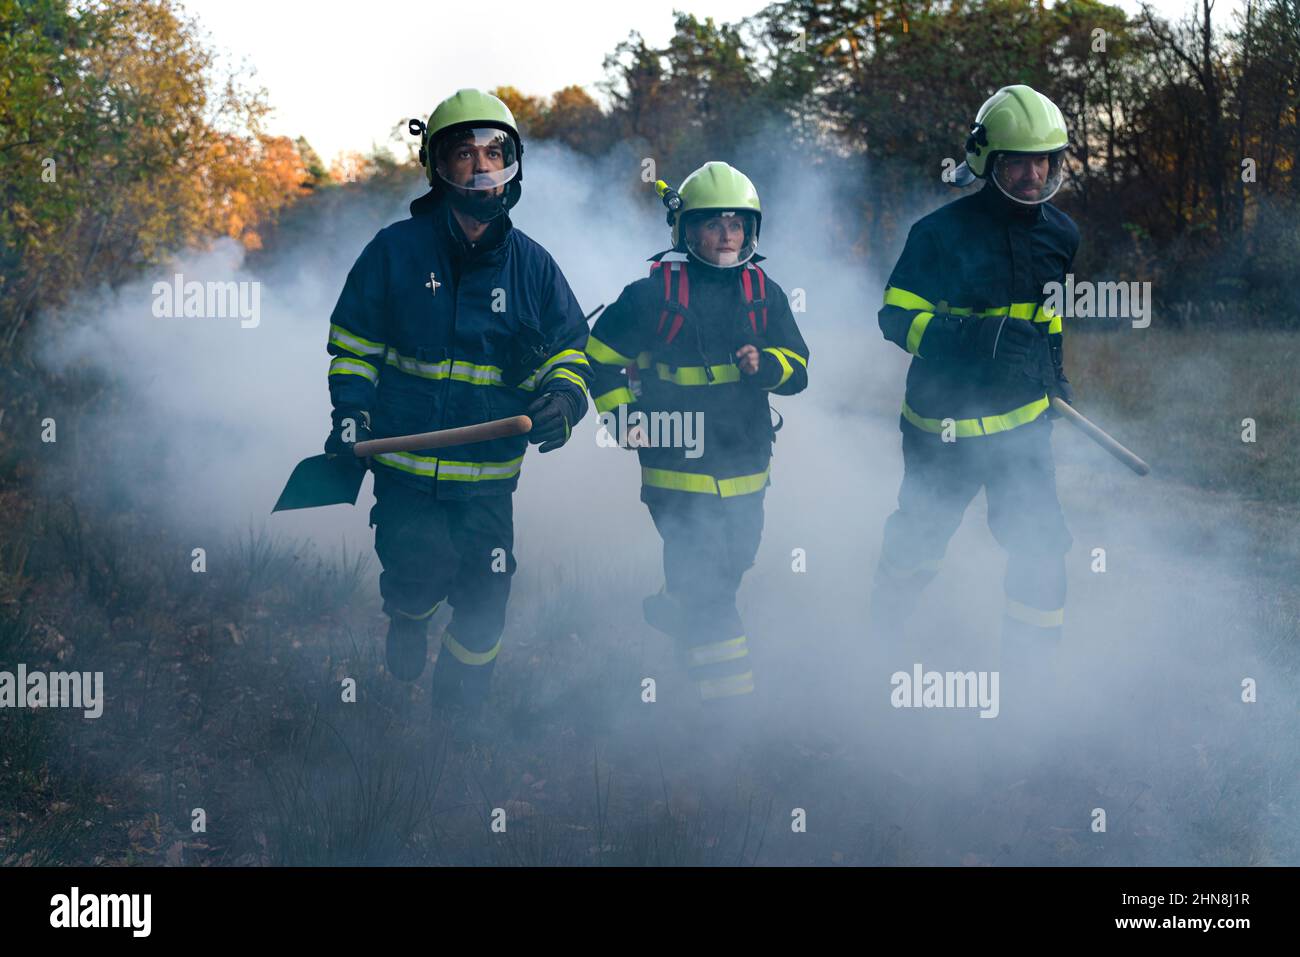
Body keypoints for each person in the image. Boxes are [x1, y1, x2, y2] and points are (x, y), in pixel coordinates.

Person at [323, 88, 591, 717]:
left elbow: (571, 352)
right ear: (437, 167)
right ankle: (408, 617)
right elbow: (355, 348)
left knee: (487, 595)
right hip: (405, 471)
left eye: (494, 152)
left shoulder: (536, 269)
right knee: (416, 574)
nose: (481, 166)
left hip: (488, 483)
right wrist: (351, 414)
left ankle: (459, 718)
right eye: (463, 154)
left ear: (514, 162)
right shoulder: (394, 252)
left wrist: (564, 398)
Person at [870, 84, 1079, 696]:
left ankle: (1032, 685)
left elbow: (1050, 318)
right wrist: (974, 339)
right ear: (987, 162)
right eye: (1019, 160)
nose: (1035, 172)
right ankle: (879, 637)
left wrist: (1056, 372)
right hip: (943, 429)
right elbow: (895, 318)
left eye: (1045, 159)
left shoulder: (1062, 236)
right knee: (920, 545)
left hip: (1024, 426)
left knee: (1042, 551)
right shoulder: (937, 234)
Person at [585, 161, 809, 705]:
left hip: (746, 464)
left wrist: (769, 365)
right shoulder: (650, 295)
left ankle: (675, 605)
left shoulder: (766, 292)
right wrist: (622, 418)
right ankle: (727, 717)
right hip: (674, 465)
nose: (727, 235)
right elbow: (598, 358)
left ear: (751, 230)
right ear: (687, 230)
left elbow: (800, 370)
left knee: (732, 566)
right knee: (710, 589)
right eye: (714, 224)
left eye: (737, 224)